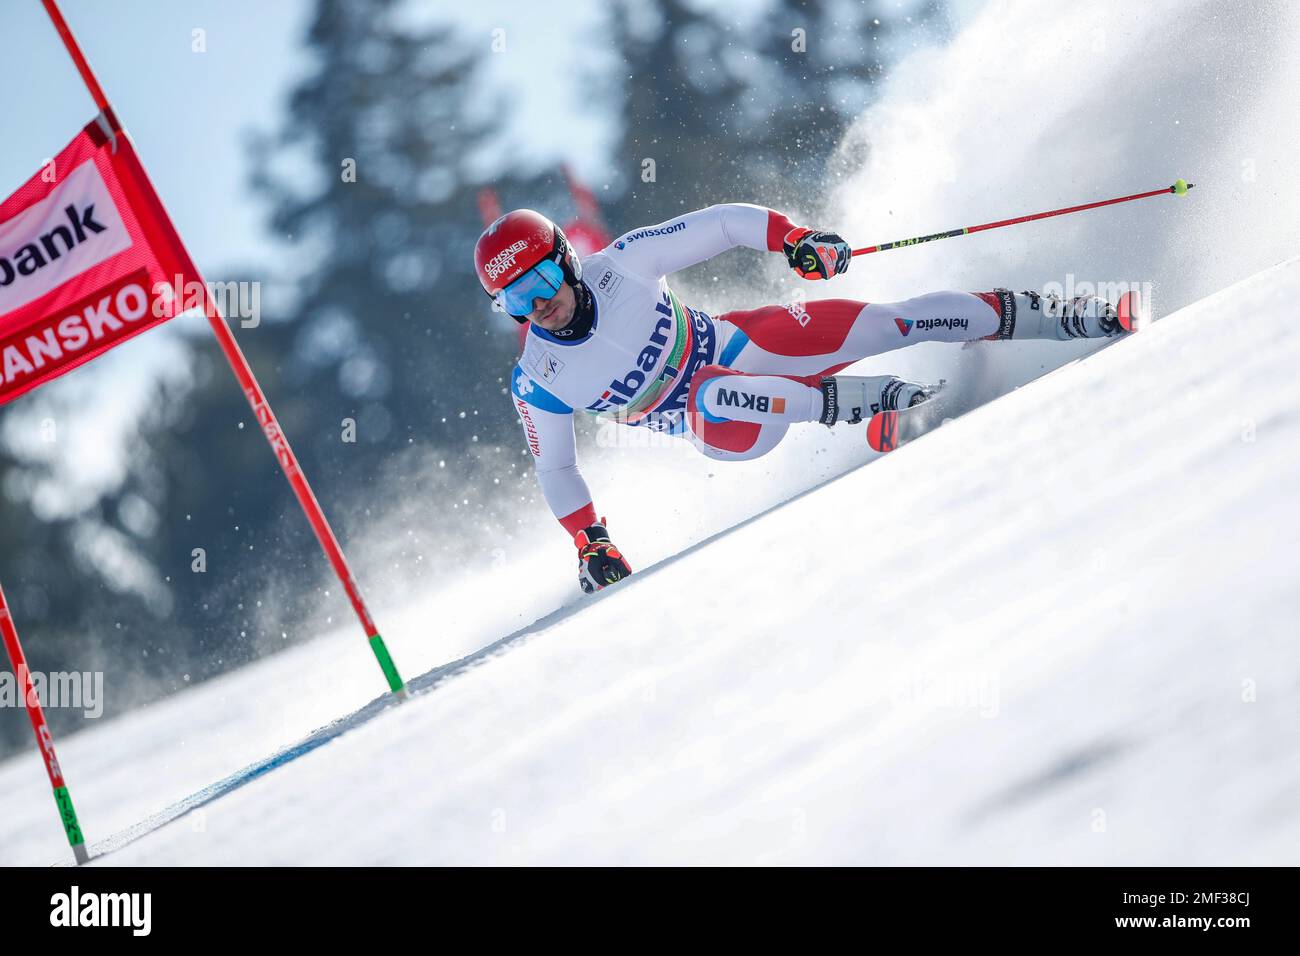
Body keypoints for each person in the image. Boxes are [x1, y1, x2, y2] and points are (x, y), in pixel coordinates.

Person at [473, 204, 1134, 593]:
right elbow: (556, 468)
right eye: (517, 301)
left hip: (748, 345)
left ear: (566, 258)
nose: (542, 306)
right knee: (713, 391)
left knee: (890, 322)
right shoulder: (539, 377)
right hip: (724, 425)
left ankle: (1071, 315)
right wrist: (592, 543)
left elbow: (725, 224)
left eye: (542, 280)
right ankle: (857, 403)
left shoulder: (623, 264)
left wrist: (793, 239)